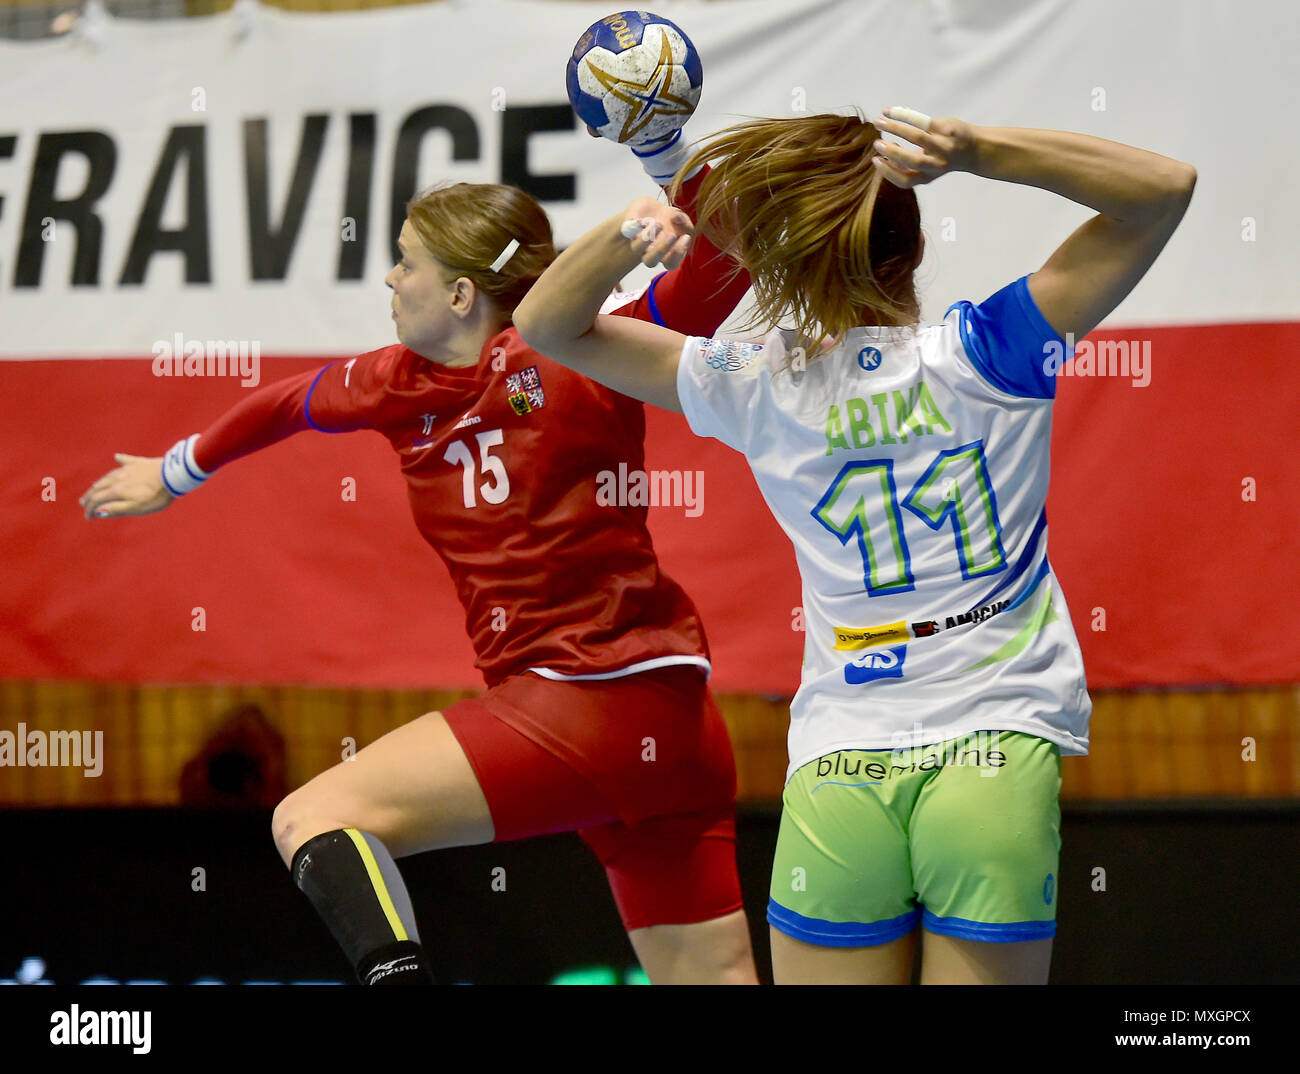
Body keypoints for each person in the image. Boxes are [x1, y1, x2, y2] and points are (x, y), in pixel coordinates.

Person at [514, 107, 1196, 984]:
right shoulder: (992, 352)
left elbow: (545, 327)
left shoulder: (756, 383)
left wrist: (625, 237)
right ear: (910, 252)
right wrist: (982, 151)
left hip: (843, 765)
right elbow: (1162, 192)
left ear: (789, 270)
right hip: (992, 755)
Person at [79, 132, 760, 985]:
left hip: (579, 701)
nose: (391, 281)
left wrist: (671, 162)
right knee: (714, 978)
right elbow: (285, 404)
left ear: (464, 293)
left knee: (316, 816)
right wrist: (173, 471)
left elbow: (721, 272)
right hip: (673, 721)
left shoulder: (580, 347)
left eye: (407, 264)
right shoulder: (395, 380)